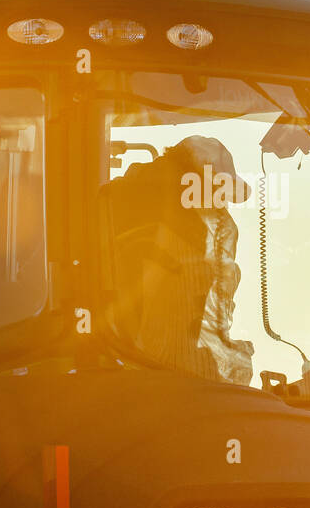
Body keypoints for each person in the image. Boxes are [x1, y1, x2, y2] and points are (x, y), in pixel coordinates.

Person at [103, 135, 255, 385]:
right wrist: (233, 363)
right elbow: (182, 342)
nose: (223, 207)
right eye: (217, 194)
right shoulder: (187, 244)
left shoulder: (127, 213)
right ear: (190, 185)